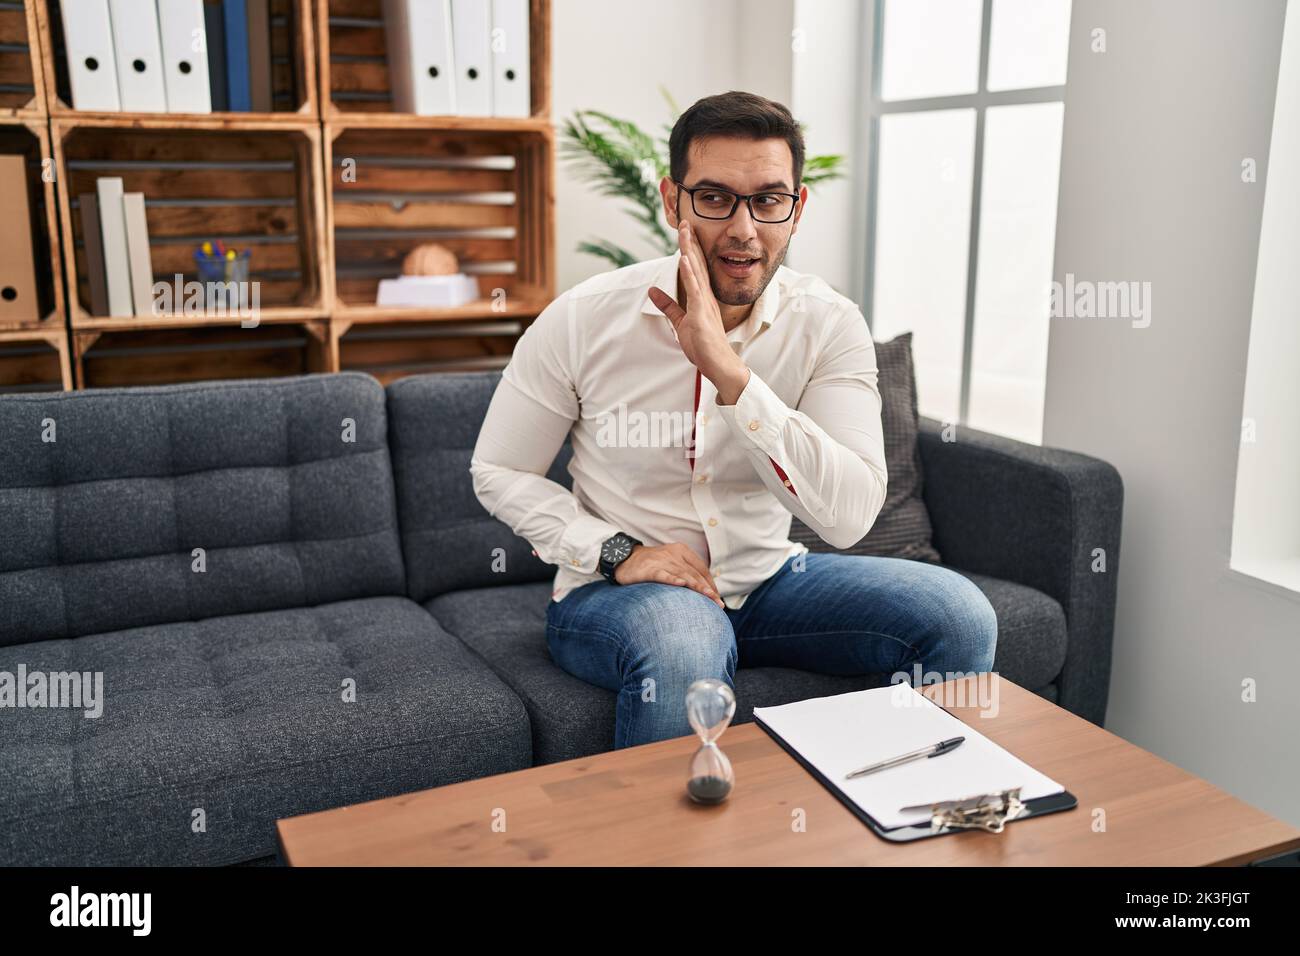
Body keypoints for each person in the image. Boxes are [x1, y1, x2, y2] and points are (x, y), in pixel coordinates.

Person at [471, 90, 996, 749]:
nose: (744, 229)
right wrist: (615, 551)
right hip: (617, 595)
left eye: (769, 200)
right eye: (715, 198)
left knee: (958, 615)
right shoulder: (584, 318)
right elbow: (497, 468)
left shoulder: (828, 325)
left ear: (797, 209)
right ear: (673, 201)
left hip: (772, 582)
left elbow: (847, 516)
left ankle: (914, 814)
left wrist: (732, 378)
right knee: (686, 642)